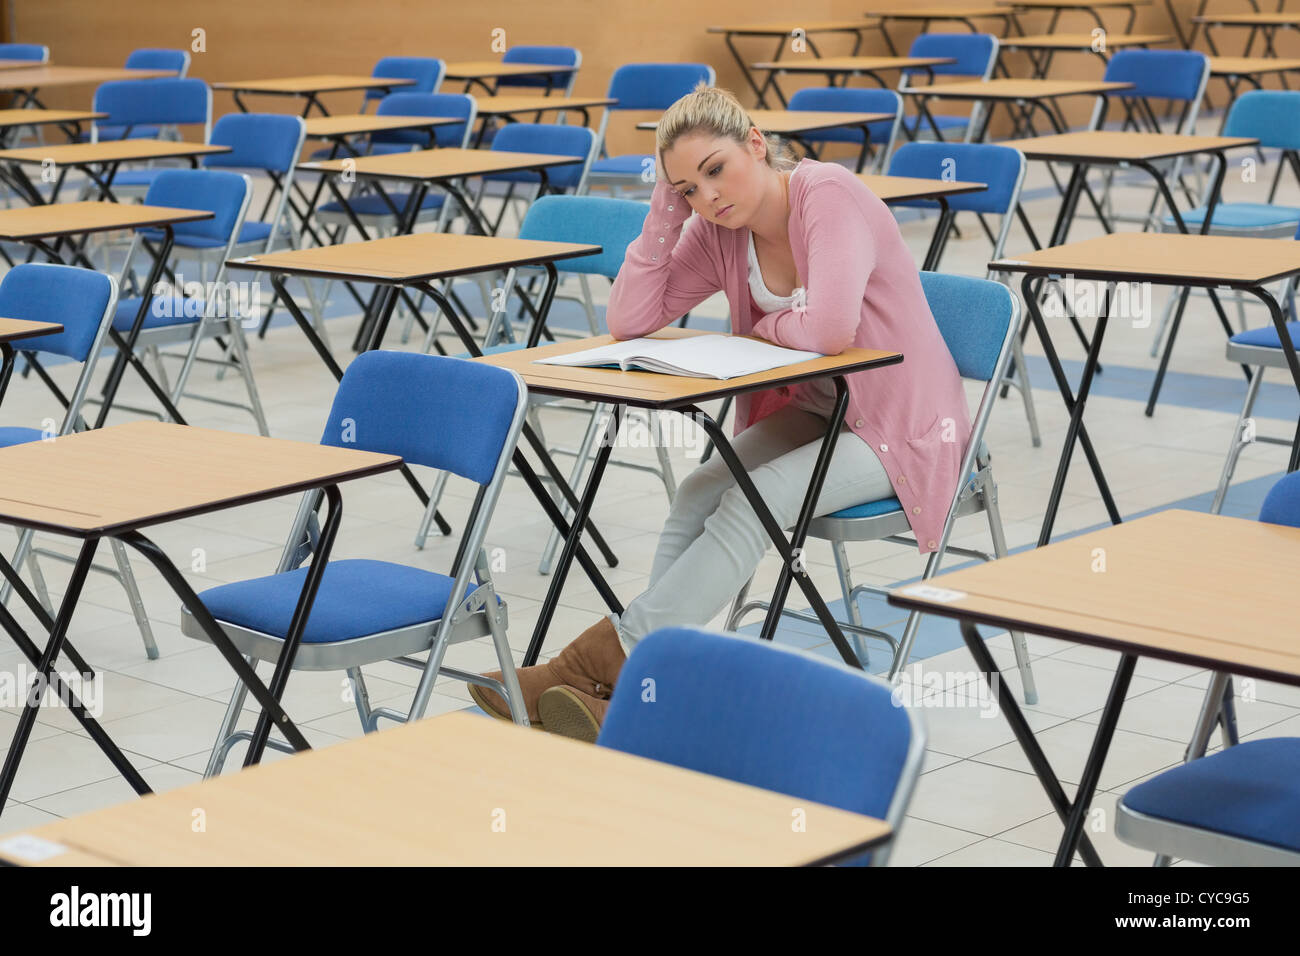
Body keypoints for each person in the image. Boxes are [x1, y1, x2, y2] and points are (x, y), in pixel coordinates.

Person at [470, 84, 971, 741]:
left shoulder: (828, 196)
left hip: (904, 423)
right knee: (701, 488)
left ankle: (607, 662)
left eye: (715, 170)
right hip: (822, 407)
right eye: (686, 189)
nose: (707, 196)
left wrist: (770, 327)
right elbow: (630, 319)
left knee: (750, 499)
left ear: (755, 144)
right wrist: (660, 218)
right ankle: (646, 682)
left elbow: (830, 331)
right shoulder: (716, 231)